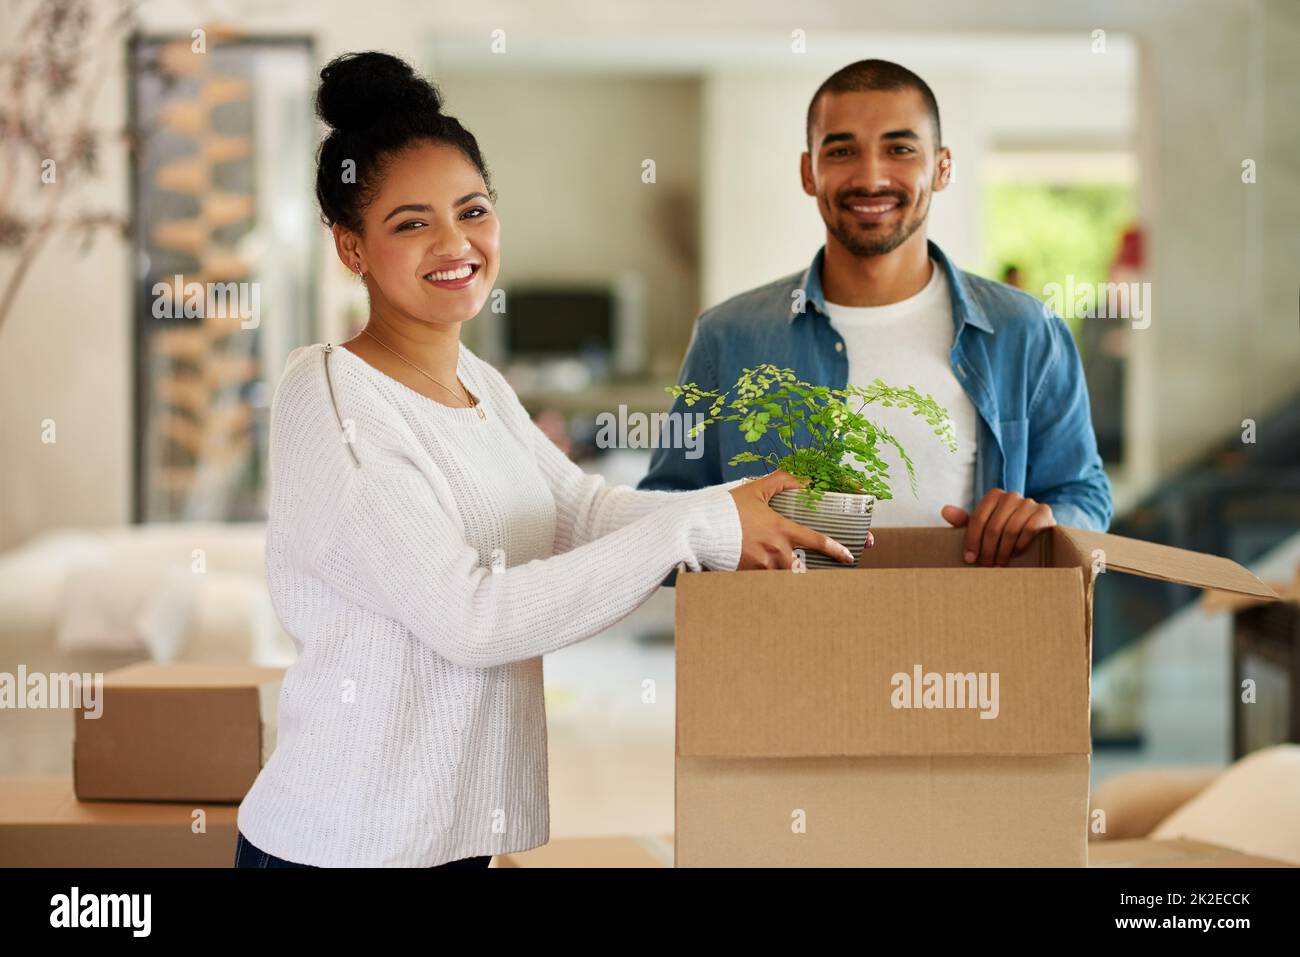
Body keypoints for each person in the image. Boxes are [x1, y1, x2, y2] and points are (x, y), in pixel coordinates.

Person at [233, 51, 853, 869]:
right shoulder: (335, 399)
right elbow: (471, 618)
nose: (455, 243)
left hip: (447, 839)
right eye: (411, 222)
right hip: (343, 846)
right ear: (352, 248)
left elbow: (577, 511)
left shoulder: (477, 381)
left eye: (473, 209)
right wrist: (698, 525)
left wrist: (747, 502)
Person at [640, 60, 1112, 565]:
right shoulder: (727, 336)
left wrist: (1046, 522)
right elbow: (663, 514)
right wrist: (724, 534)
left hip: (971, 635)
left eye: (900, 149)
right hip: (781, 637)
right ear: (809, 171)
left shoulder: (1027, 332)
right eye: (842, 150)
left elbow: (1085, 499)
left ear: (942, 166)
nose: (871, 177)